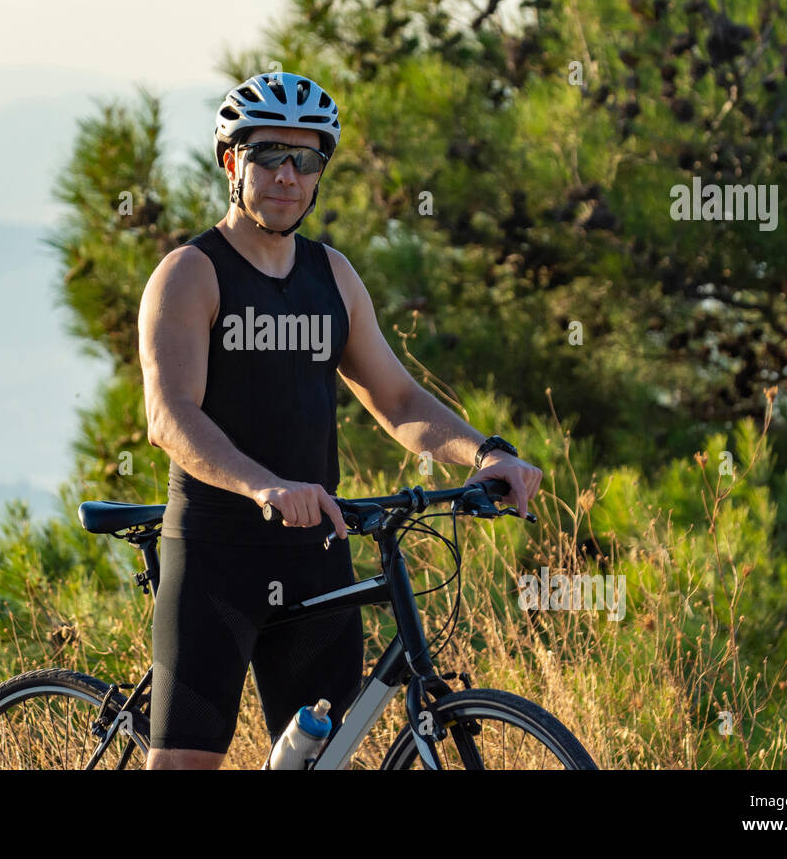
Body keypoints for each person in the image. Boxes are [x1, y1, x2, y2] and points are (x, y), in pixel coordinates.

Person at [136, 71, 543, 769]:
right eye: (268, 157)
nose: (287, 176)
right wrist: (264, 486)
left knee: (323, 764)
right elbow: (170, 416)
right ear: (232, 162)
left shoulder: (334, 277)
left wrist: (485, 453)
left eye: (306, 160)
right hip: (214, 558)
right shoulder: (191, 273)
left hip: (316, 557)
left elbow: (399, 400)